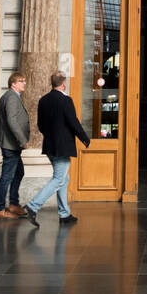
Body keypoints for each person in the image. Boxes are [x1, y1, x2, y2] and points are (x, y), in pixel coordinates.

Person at [24, 72, 90, 227]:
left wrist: (51, 136)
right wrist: (85, 139)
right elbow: (73, 122)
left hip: (50, 145)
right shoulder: (66, 100)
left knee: (63, 178)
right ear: (64, 84)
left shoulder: (43, 100)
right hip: (62, 146)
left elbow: (40, 125)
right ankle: (33, 206)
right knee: (59, 179)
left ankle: (64, 213)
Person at [0, 70, 30, 219]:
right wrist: (22, 140)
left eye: (24, 80)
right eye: (21, 81)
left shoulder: (7, 97)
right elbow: (11, 121)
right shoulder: (12, 98)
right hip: (11, 144)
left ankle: (13, 204)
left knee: (19, 172)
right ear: (13, 84)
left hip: (9, 144)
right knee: (7, 176)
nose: (24, 83)